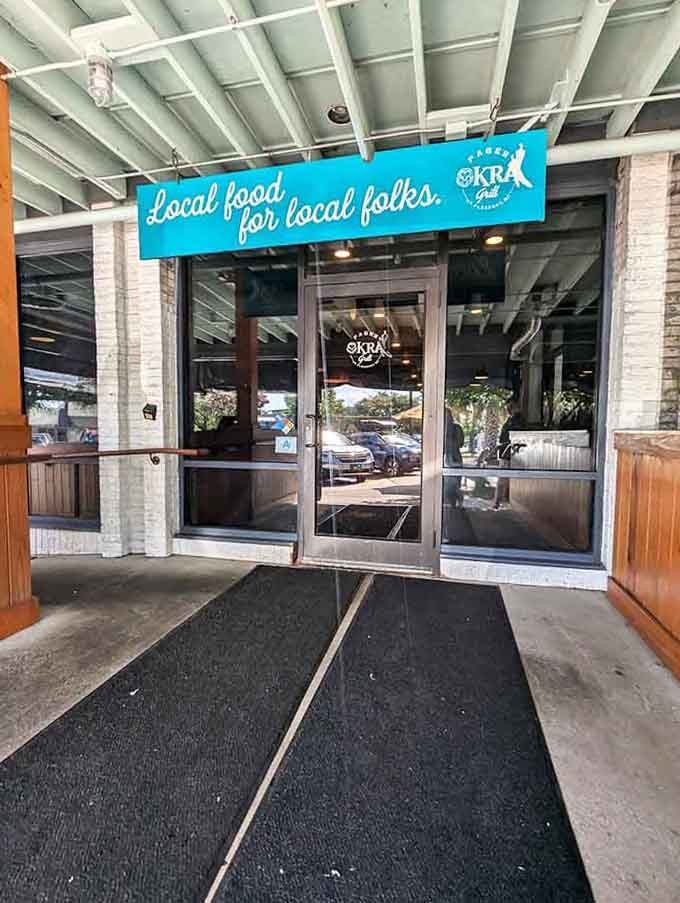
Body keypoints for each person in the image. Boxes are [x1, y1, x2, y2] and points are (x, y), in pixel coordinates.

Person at [493, 399, 524, 509]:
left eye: (511, 406)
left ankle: (497, 502)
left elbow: (512, 438)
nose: (508, 409)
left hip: (507, 452)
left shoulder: (516, 420)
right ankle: (497, 501)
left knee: (502, 478)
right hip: (505, 452)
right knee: (502, 478)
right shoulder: (512, 419)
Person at [444, 405, 465, 507]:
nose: (445, 418)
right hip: (444, 460)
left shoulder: (456, 428)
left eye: (447, 416)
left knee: (455, 485)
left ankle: (458, 503)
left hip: (454, 459)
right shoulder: (439, 429)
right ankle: (452, 505)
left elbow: (460, 443)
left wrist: (448, 438)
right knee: (447, 486)